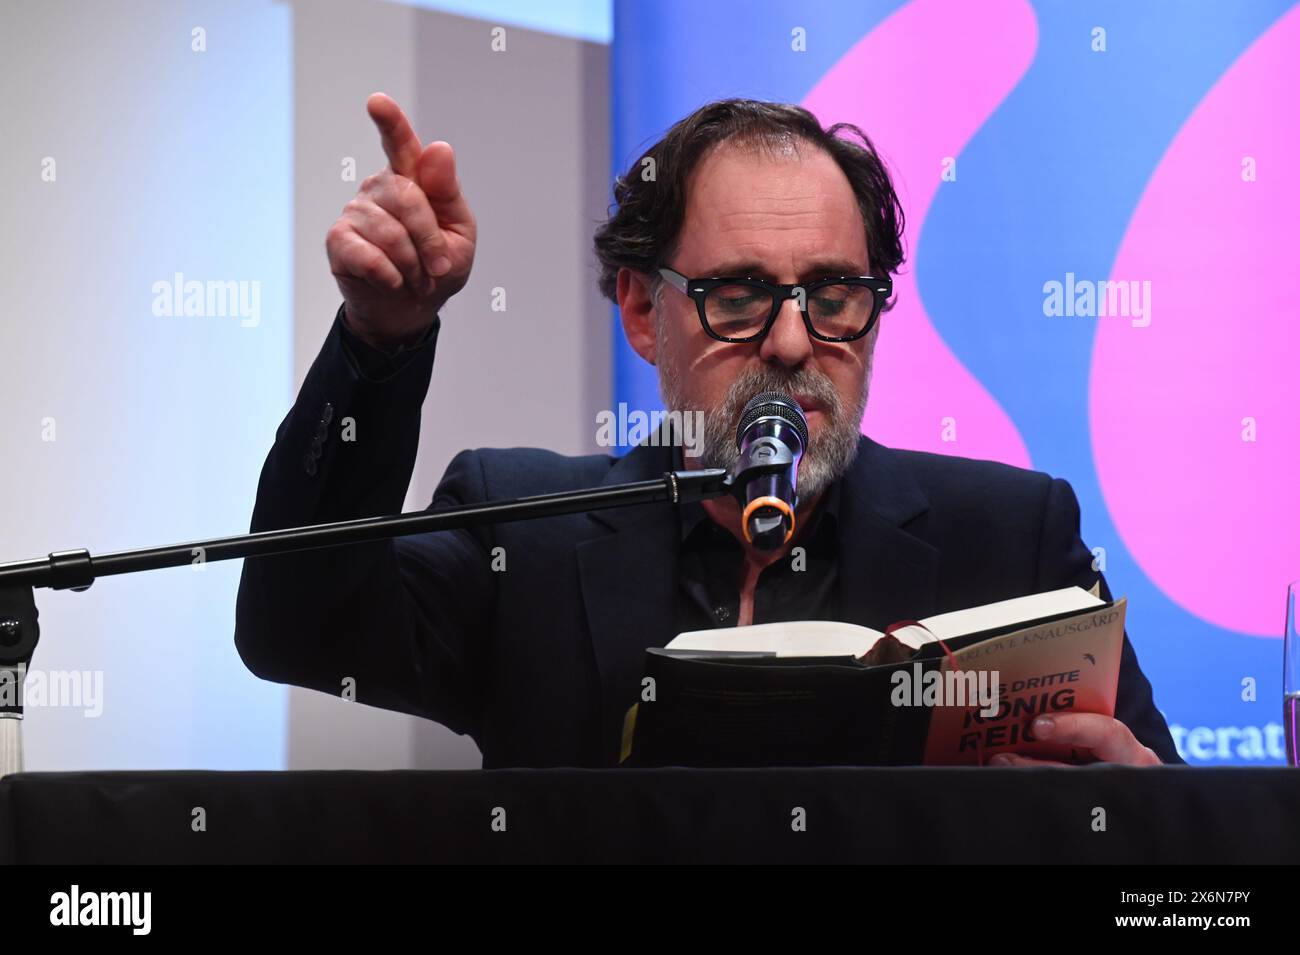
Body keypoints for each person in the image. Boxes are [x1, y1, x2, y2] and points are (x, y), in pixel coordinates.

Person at [235, 93, 1181, 768]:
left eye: (835, 295)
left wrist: (1135, 826)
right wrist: (379, 339)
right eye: (739, 294)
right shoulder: (518, 532)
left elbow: (1199, 882)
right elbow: (296, 628)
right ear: (645, 312)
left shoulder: (1013, 537)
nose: (790, 340)